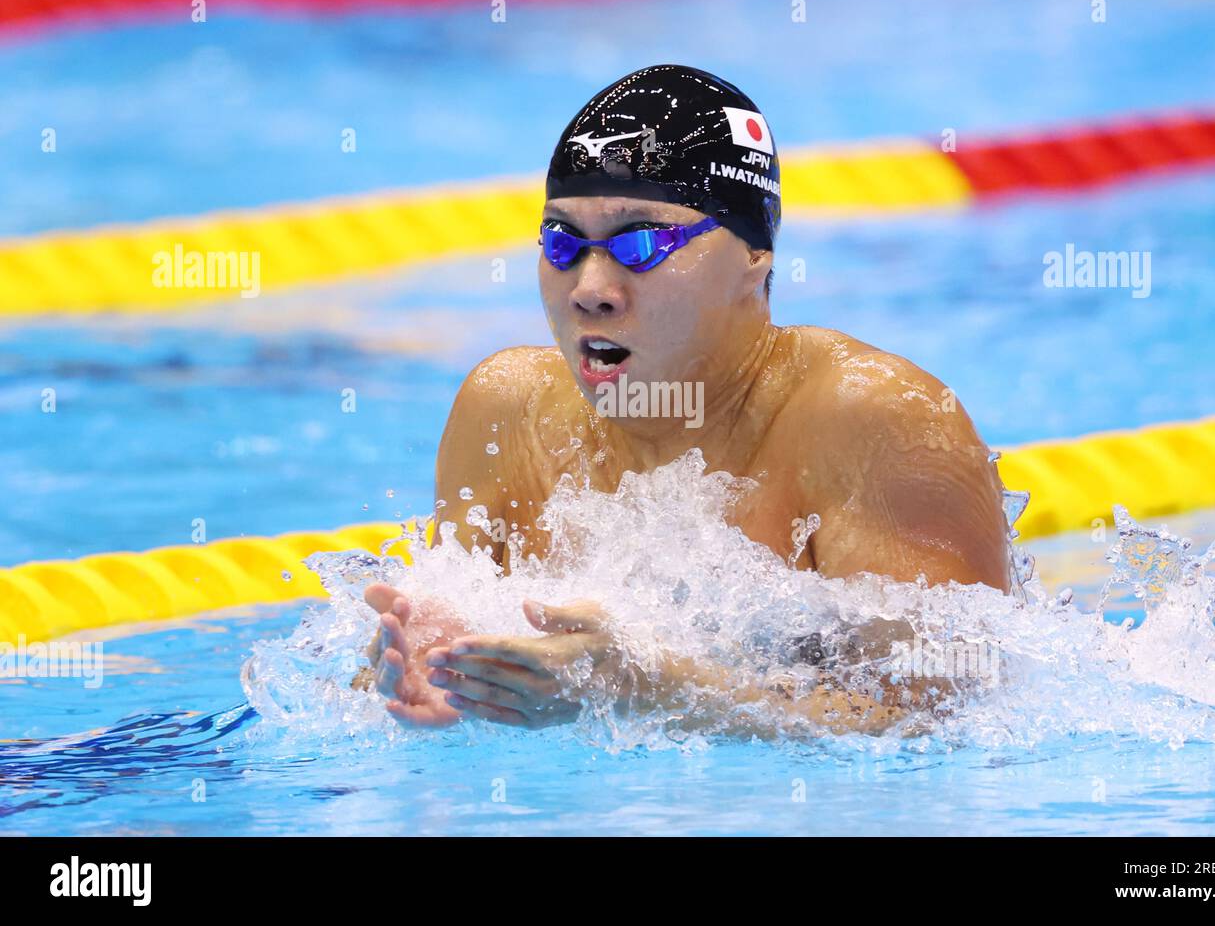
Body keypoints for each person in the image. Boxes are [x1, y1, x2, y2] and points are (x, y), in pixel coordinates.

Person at [356, 64, 1011, 737]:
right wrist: (428, 674)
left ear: (754, 256)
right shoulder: (506, 410)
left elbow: (955, 722)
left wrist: (663, 694)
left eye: (640, 243)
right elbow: (436, 665)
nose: (590, 289)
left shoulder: (873, 417)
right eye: (562, 242)